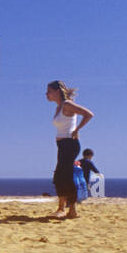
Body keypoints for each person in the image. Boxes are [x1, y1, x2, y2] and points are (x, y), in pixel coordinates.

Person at [45, 81, 93, 219]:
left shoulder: (67, 104)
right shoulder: (59, 107)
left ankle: (69, 210)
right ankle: (65, 209)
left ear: (57, 91)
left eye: (49, 91)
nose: (46, 94)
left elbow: (88, 114)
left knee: (62, 176)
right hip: (62, 145)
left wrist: (77, 130)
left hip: (70, 144)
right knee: (62, 176)